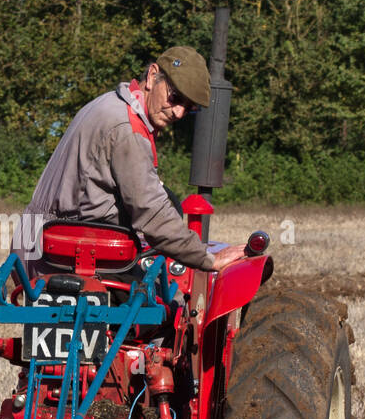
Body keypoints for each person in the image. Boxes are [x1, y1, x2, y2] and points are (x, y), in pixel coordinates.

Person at [16, 47, 247, 272]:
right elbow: (152, 213)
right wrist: (207, 259)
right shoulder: (127, 128)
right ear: (152, 76)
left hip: (35, 243)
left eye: (189, 108)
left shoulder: (109, 103)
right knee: (165, 300)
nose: (178, 113)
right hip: (61, 252)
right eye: (175, 98)